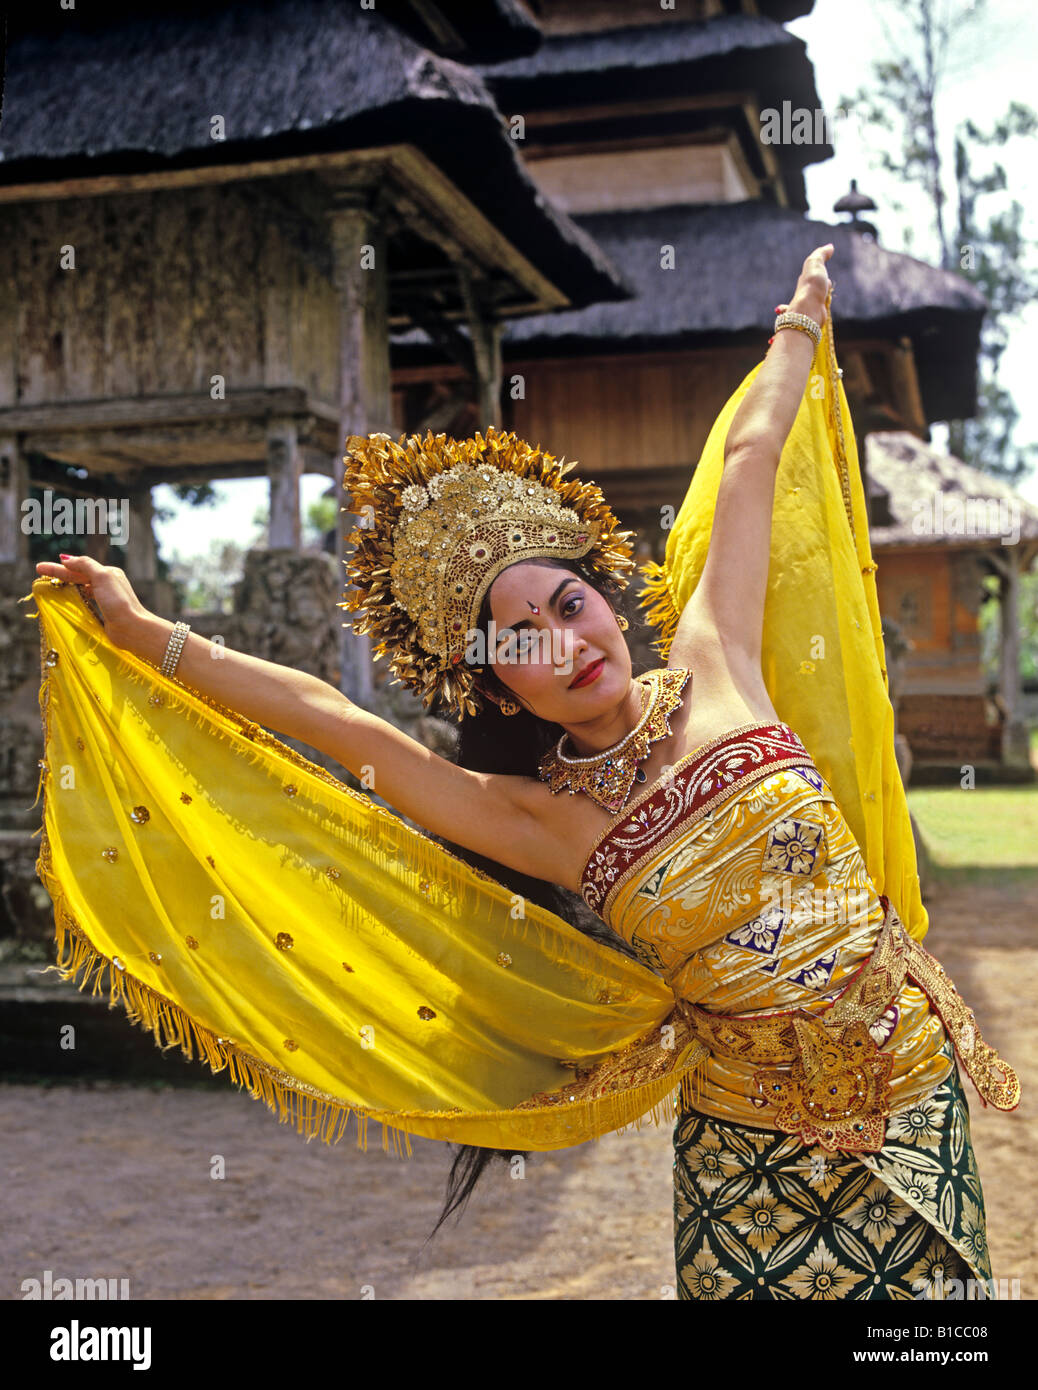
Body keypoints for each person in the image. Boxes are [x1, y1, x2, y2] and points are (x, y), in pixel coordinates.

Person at [29, 246, 1017, 1300]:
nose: (561, 639)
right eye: (519, 634)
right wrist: (147, 636)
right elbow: (346, 730)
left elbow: (749, 463)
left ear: (606, 599)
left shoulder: (717, 657)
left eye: (568, 603)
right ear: (499, 683)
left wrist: (798, 327)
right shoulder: (540, 821)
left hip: (913, 1091)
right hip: (751, 1171)